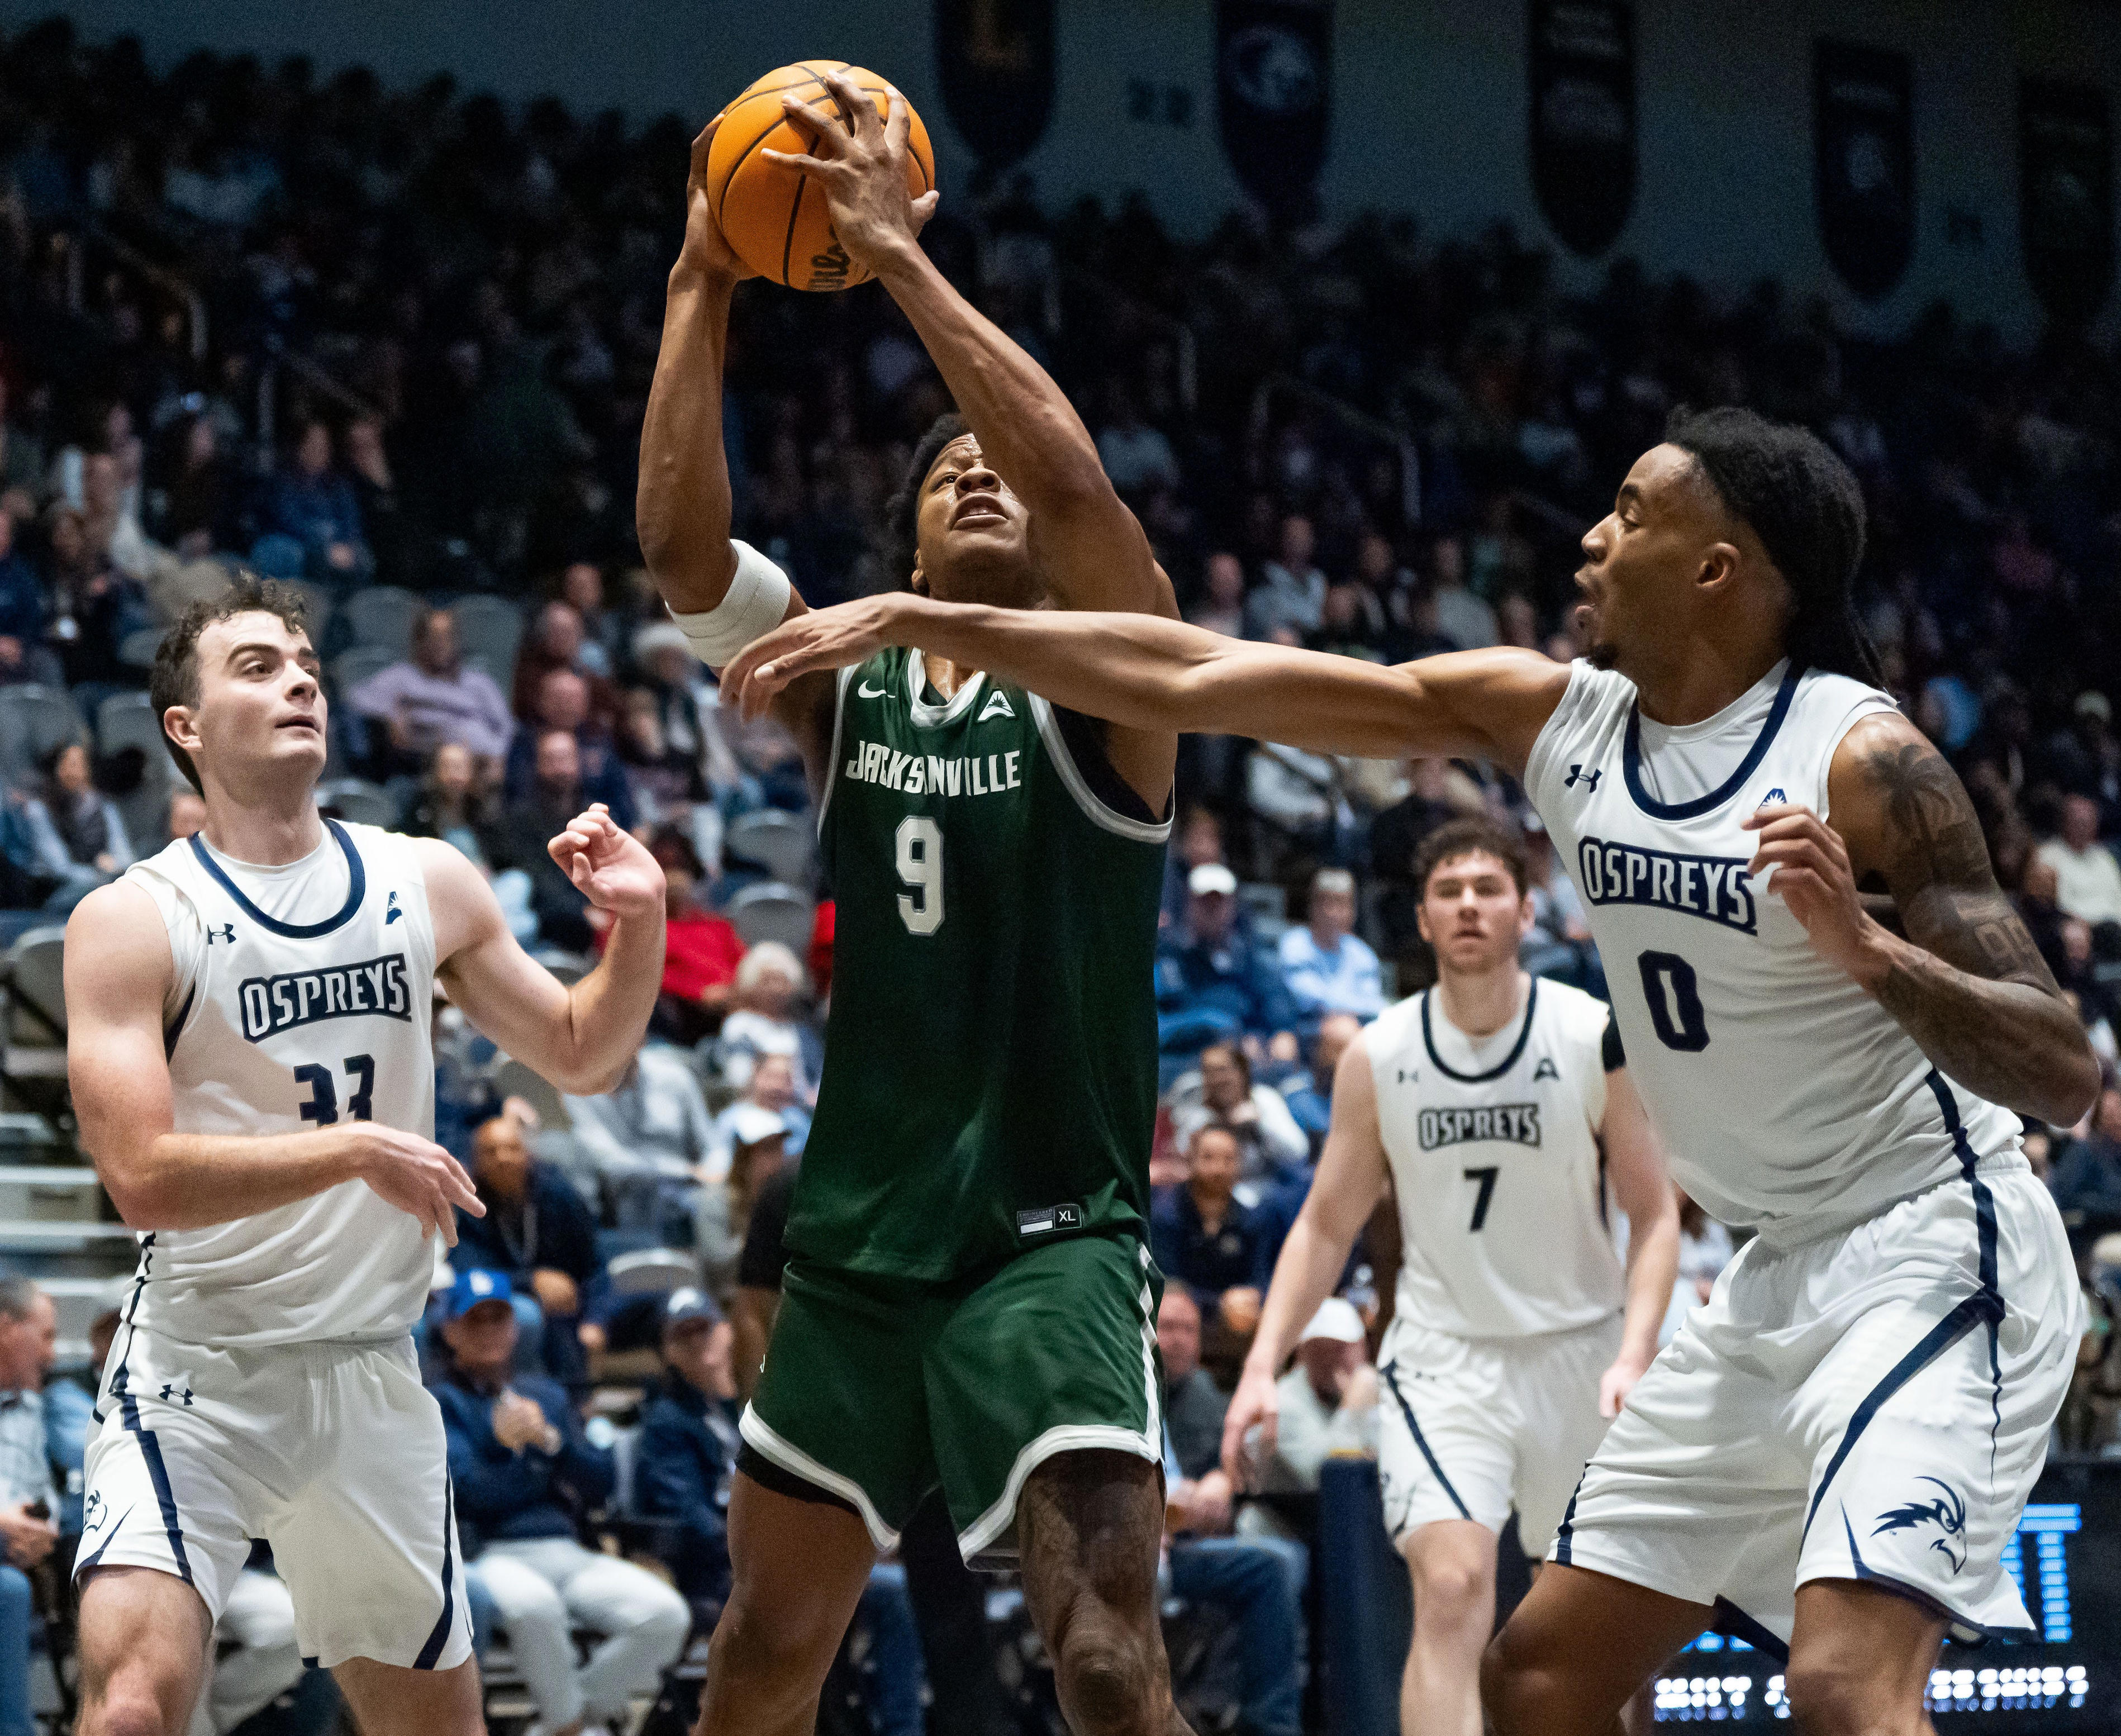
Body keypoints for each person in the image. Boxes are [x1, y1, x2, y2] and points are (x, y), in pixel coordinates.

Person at [728, 404, 2100, 1735]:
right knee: (1540, 1675)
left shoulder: (1859, 759)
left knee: (1846, 1683)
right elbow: (1195, 673)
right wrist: (925, 619)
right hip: (1772, 1267)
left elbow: (2054, 1067)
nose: (1587, 540)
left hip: (1934, 1241)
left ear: (1717, 568)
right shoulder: (1557, 717)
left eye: (1628, 514)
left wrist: (1865, 944)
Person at [636, 77, 1188, 1736]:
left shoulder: (1117, 681)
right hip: (860, 1248)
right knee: (761, 1655)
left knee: (1097, 1659)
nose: (976, 473)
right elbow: (677, 550)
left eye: (997, 466)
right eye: (944, 463)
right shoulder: (840, 682)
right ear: (906, 532)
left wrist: (892, 260)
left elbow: (1082, 500)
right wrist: (699, 276)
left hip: (1045, 1245)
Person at [61, 575, 667, 1736]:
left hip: (370, 1373)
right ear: (183, 726)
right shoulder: (133, 918)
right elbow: (139, 1173)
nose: (297, 678)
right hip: (201, 1364)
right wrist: (346, 1148)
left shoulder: (421, 877)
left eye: (306, 663)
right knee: (135, 1705)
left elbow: (585, 1052)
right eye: (255, 665)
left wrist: (634, 925)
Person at [1226, 814, 1680, 1736]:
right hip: (1444, 1361)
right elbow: (1323, 1223)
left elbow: (1655, 1211)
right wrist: (1258, 1364)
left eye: (1487, 889)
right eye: (1448, 891)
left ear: (1525, 909)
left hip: (1583, 1353)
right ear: (1423, 920)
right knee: (1450, 1585)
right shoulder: (1379, 1054)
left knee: (1596, 1632)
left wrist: (1636, 1349)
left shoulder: (1592, 1033)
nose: (1468, 905)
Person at [429, 1269, 690, 1735]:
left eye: (499, 1318)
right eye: (475, 1320)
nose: (490, 1330)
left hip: (566, 1548)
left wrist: (552, 1444)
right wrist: (505, 1447)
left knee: (665, 1614)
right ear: (450, 1330)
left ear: (516, 1326)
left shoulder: (547, 1394)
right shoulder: (440, 1404)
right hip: (489, 1552)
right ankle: (573, 1726)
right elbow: (468, 1493)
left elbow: (601, 1481)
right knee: (536, 1606)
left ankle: (556, 1727)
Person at [450, 1113, 604, 1383]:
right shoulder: (469, 1202)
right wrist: (531, 1282)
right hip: (500, 1297)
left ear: (529, 1155)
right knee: (527, 1314)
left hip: (569, 1304)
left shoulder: (561, 1195)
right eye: (491, 1152)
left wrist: (597, 1319)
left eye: (512, 1148)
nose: (502, 1158)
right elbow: (468, 1266)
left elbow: (594, 1266)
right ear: (476, 1162)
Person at [635, 1288, 744, 1605]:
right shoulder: (666, 1420)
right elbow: (689, 1513)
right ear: (667, 1351)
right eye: (682, 1334)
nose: (696, 1340)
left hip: (772, 1548)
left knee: (886, 1592)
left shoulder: (758, 1397)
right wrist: (760, 1549)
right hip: (717, 1567)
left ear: (727, 1330)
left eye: (703, 1327)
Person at [565, 1044, 719, 1238]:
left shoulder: (675, 1078)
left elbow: (712, 1143)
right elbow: (610, 1161)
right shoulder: (577, 1090)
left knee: (715, 1203)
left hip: (690, 1190)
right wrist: (682, 1171)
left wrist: (715, 1172)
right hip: (624, 1195)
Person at [348, 607, 516, 772]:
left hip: (475, 764)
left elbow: (507, 730)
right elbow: (357, 698)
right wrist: (391, 716)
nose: (441, 644)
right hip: (418, 765)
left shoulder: (478, 683)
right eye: (434, 637)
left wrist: (493, 754)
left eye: (447, 637)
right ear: (421, 641)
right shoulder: (402, 677)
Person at [1157, 864, 1298, 1061]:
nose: (1212, 911)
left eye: (1219, 903)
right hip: (1187, 1062)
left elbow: (1276, 1001)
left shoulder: (1248, 959)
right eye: (1204, 903)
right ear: (1190, 905)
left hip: (1245, 1062)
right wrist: (1219, 1028)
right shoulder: (1170, 959)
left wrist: (1282, 1032)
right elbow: (1158, 1023)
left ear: (1232, 907)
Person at [0, 1280, 56, 1736]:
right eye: (46, 1336)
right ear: (6, 1328)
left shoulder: (30, 1411)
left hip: (18, 1560)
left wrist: (43, 1528)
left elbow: (43, 1494)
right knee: (9, 1591)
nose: (52, 1355)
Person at [1255, 1297, 1379, 1495]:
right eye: (1321, 1347)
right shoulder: (1282, 1402)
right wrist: (1354, 1407)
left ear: (1363, 1348)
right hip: (1279, 1524)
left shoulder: (1368, 1390)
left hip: (1335, 1520)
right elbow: (1325, 1476)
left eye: (1342, 1347)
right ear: (1303, 1352)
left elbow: (1384, 1468)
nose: (1332, 1359)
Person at [1152, 1124, 1263, 1338]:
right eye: (1208, 1158)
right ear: (1190, 1160)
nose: (1218, 1169)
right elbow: (1168, 1284)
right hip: (1177, 1320)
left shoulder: (1252, 1220)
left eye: (1228, 1160)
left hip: (1237, 1321)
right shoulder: (1165, 1216)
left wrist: (1252, 1297)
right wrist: (1221, 1305)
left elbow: (1260, 1278)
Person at [22, 740, 133, 908]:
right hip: (54, 891)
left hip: (103, 884)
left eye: (81, 765)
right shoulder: (39, 809)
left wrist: (115, 867)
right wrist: (101, 876)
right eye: (70, 765)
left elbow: (125, 855)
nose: (75, 772)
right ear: (56, 770)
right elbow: (59, 867)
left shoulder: (103, 806)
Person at [1277, 866, 1386, 1025]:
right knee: (1343, 1028)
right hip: (1306, 1026)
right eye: (1331, 904)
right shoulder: (1295, 944)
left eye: (1346, 904)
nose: (1339, 913)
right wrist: (1357, 1008)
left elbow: (1373, 1001)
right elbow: (1312, 1000)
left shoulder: (1362, 953)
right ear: (1314, 907)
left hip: (1358, 1025)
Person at [2035, 793, 2121, 936]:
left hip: (2114, 929)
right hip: (2077, 931)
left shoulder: (2104, 857)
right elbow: (2053, 908)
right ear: (2064, 822)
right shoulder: (2047, 856)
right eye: (2078, 822)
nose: (2083, 828)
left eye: (2089, 823)